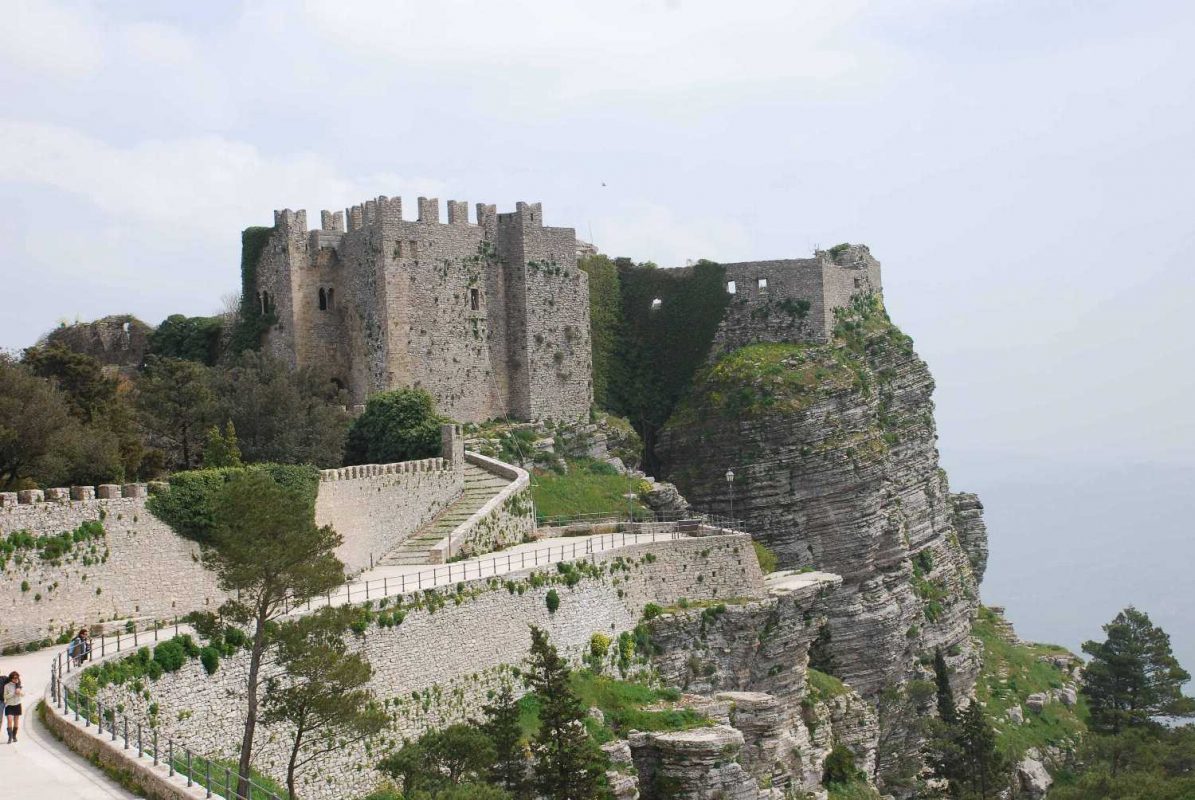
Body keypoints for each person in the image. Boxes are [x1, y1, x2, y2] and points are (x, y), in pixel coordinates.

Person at [4, 672, 22, 743]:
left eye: (17, 678)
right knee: (9, 720)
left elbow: (23, 694)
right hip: (9, 706)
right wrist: (13, 693)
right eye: (14, 678)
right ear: (11, 678)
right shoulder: (7, 686)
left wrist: (19, 692)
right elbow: (5, 696)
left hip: (17, 705)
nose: (16, 679)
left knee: (16, 721)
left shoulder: (18, 685)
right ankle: (10, 737)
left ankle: (14, 736)